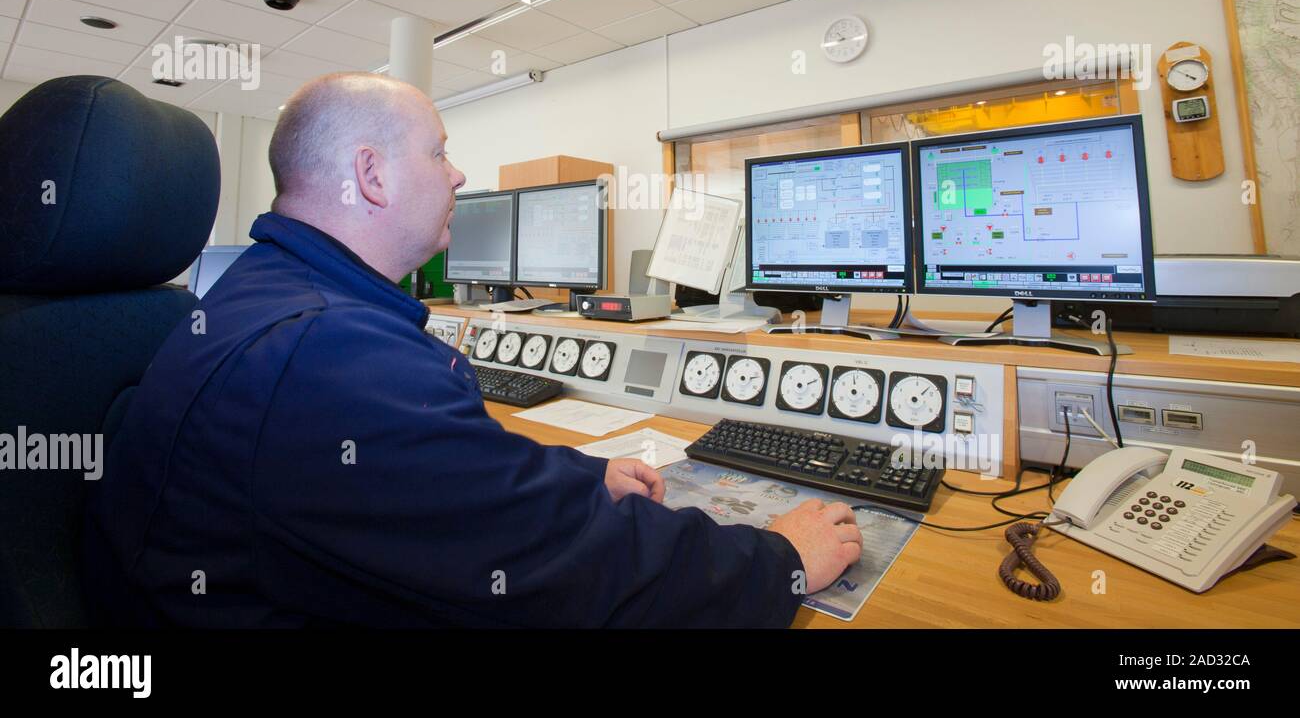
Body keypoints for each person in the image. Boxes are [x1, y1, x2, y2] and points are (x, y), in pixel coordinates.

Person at [84, 72, 862, 627]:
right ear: (371, 175)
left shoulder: (272, 290)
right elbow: (555, 565)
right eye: (439, 152)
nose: (458, 174)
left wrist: (589, 477)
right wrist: (776, 559)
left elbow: (467, 482)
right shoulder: (327, 352)